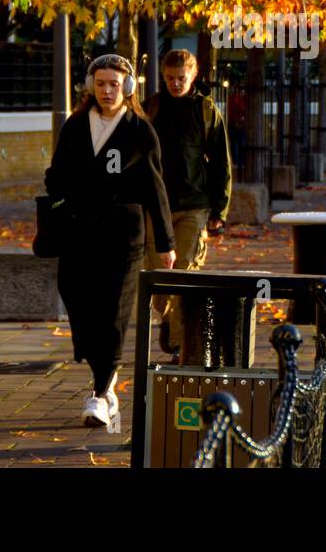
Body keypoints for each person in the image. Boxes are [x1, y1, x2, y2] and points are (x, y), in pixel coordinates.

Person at [45, 53, 174, 427]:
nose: (106, 90)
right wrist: (61, 201)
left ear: (127, 88)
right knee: (76, 297)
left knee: (114, 314)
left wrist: (164, 242)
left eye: (113, 84)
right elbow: (56, 175)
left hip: (123, 237)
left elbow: (155, 189)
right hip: (79, 233)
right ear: (90, 86)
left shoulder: (140, 130)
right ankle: (102, 373)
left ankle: (101, 394)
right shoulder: (74, 126)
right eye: (100, 83)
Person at [142, 49, 233, 360]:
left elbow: (221, 163)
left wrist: (219, 210)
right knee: (158, 276)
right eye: (170, 78)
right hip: (157, 206)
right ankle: (168, 322)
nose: (175, 84)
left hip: (195, 205)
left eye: (181, 78)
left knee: (185, 273)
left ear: (194, 76)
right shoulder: (150, 108)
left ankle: (181, 347)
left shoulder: (206, 111)